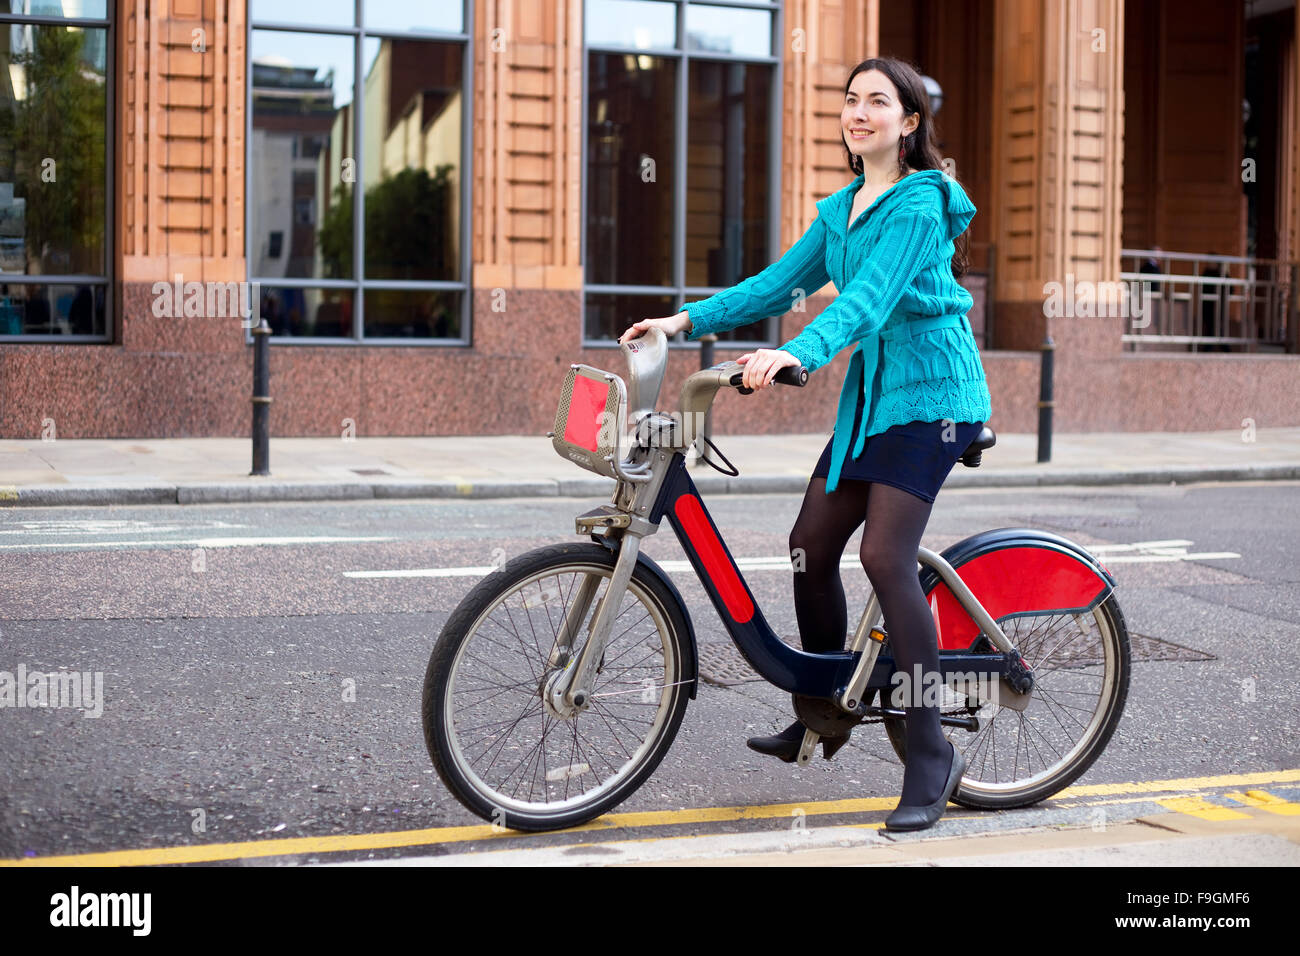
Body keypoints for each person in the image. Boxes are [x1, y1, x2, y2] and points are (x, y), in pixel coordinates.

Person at [618, 56, 992, 832]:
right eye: (850, 101)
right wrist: (680, 322)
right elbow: (777, 284)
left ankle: (930, 754)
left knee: (884, 559)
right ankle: (824, 708)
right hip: (873, 403)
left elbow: (866, 300)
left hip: (936, 401)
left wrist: (799, 353)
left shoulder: (921, 205)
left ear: (909, 123)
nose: (859, 113)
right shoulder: (845, 207)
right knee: (808, 546)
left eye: (878, 103)